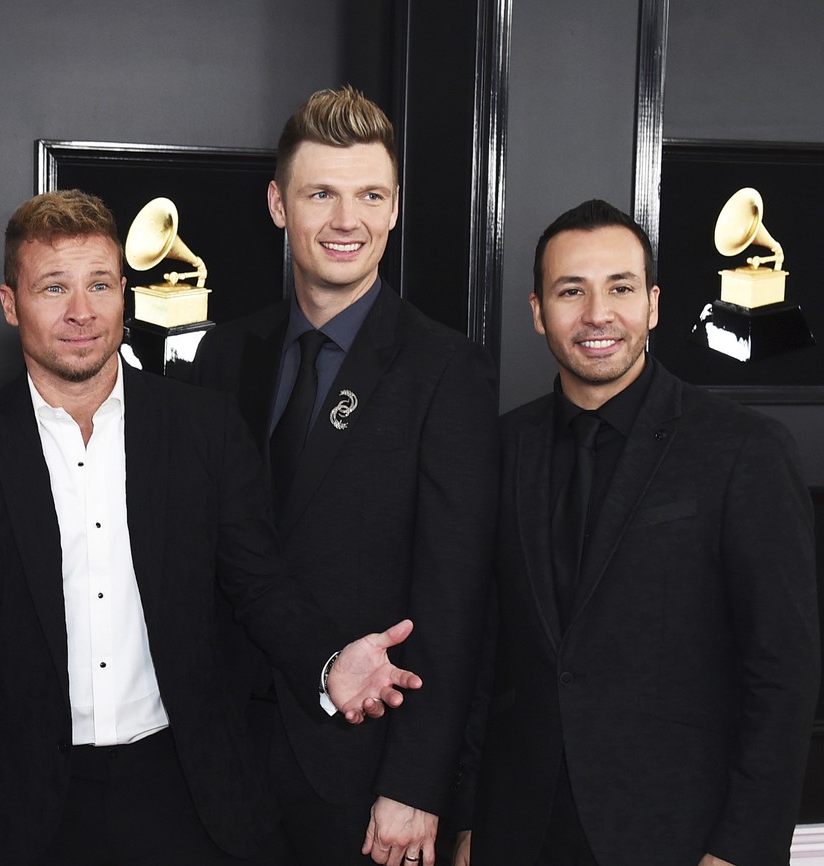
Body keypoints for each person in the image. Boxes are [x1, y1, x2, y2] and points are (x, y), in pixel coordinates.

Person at [0, 189, 425, 866]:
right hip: (32, 813)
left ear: (123, 293)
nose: (81, 312)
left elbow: (261, 587)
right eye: (54, 287)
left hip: (192, 797)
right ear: (9, 303)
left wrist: (327, 664)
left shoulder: (203, 430)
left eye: (100, 285)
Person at [452, 199, 820, 866]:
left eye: (620, 288)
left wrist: (742, 848)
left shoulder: (743, 450)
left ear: (652, 304)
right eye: (572, 291)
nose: (597, 314)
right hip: (517, 829)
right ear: (539, 311)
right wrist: (469, 820)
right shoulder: (501, 448)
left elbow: (784, 673)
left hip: (679, 835)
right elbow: (481, 653)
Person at [190, 85, 498, 866]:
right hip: (218, 761)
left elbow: (455, 601)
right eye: (319, 194)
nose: (345, 221)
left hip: (364, 776)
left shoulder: (446, 372)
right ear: (277, 204)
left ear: (394, 208)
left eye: (369, 195)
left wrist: (419, 785)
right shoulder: (221, 358)